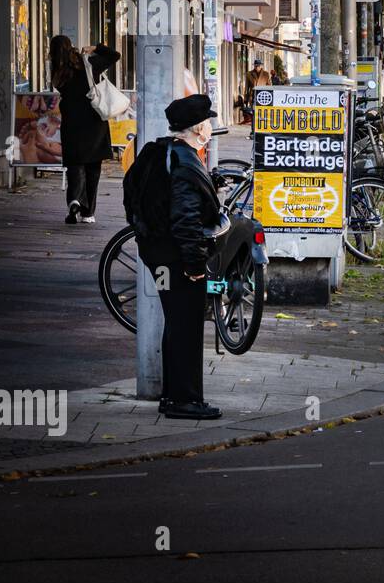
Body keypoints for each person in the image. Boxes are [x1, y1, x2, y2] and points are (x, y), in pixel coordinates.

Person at [126, 94, 223, 421]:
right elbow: (185, 220)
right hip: (177, 258)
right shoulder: (184, 163)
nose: (209, 127)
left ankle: (172, 396)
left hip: (157, 254)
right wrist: (195, 267)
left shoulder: (161, 152)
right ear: (197, 128)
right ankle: (185, 400)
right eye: (207, 122)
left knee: (175, 321)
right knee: (187, 324)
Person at [50, 34, 120, 225]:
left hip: (72, 123)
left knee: (75, 165)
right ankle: (88, 213)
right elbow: (114, 55)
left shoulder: (57, 71)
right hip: (93, 121)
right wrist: (95, 48)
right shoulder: (88, 63)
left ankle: (74, 199)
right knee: (93, 168)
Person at [244, 58, 272, 137]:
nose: (257, 67)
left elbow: (270, 86)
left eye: (258, 66)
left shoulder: (266, 74)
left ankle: (262, 130)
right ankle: (253, 131)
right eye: (256, 66)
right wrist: (245, 99)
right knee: (254, 115)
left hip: (264, 97)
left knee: (263, 114)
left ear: (261, 66)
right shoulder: (249, 74)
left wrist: (270, 97)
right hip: (253, 97)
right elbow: (247, 87)